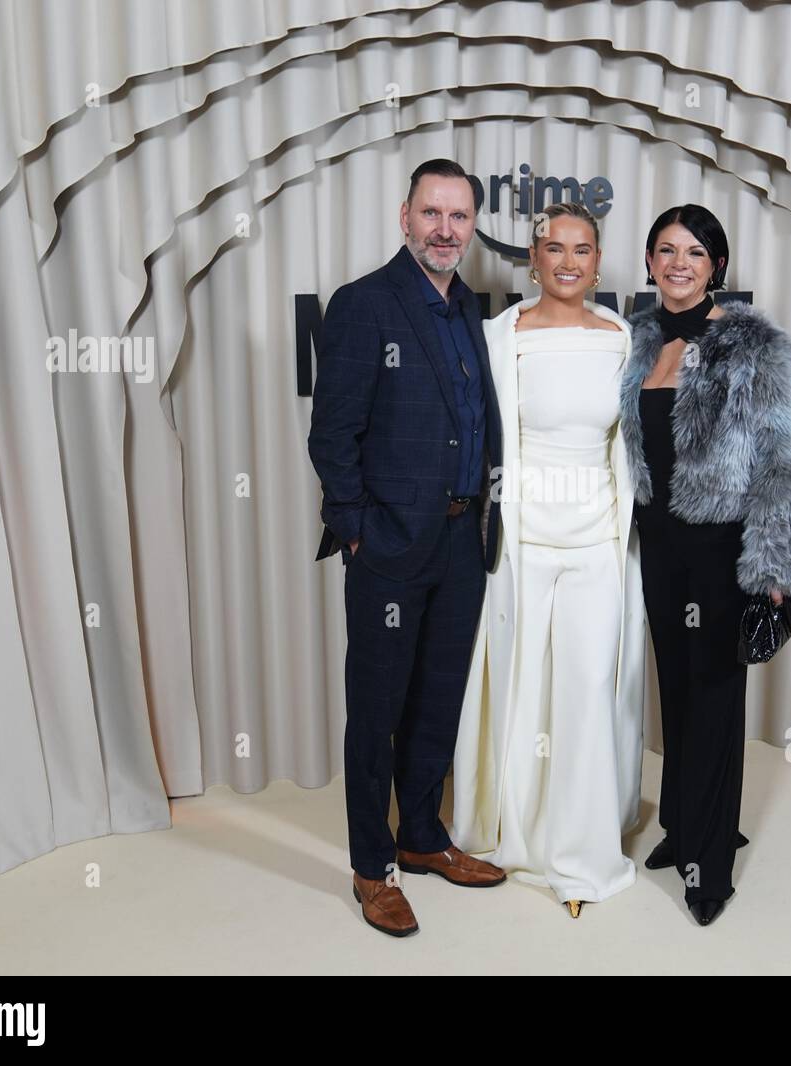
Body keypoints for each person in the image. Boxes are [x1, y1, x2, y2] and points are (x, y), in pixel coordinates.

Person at [307, 159, 509, 938]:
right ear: (405, 216)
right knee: (378, 711)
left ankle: (422, 837)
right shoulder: (364, 304)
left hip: (462, 539)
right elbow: (333, 434)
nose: (446, 229)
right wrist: (359, 528)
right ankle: (372, 868)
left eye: (460, 217)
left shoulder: (467, 311)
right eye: (433, 213)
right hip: (390, 544)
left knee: (438, 698)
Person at [619, 204, 791, 926]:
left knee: (714, 696)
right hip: (659, 545)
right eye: (666, 250)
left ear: (717, 268)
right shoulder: (638, 340)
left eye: (695, 253)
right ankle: (681, 826)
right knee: (676, 687)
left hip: (722, 544)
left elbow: (783, 460)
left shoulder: (754, 345)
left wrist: (775, 564)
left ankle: (709, 866)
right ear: (648, 261)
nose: (678, 263)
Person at [451, 202, 646, 918]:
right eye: (555, 248)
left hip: (598, 540)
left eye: (584, 249)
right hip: (524, 539)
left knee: (588, 689)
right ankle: (520, 833)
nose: (568, 261)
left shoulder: (623, 337)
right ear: (533, 260)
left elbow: (633, 443)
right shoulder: (500, 336)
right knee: (524, 686)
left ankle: (582, 848)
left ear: (599, 261)